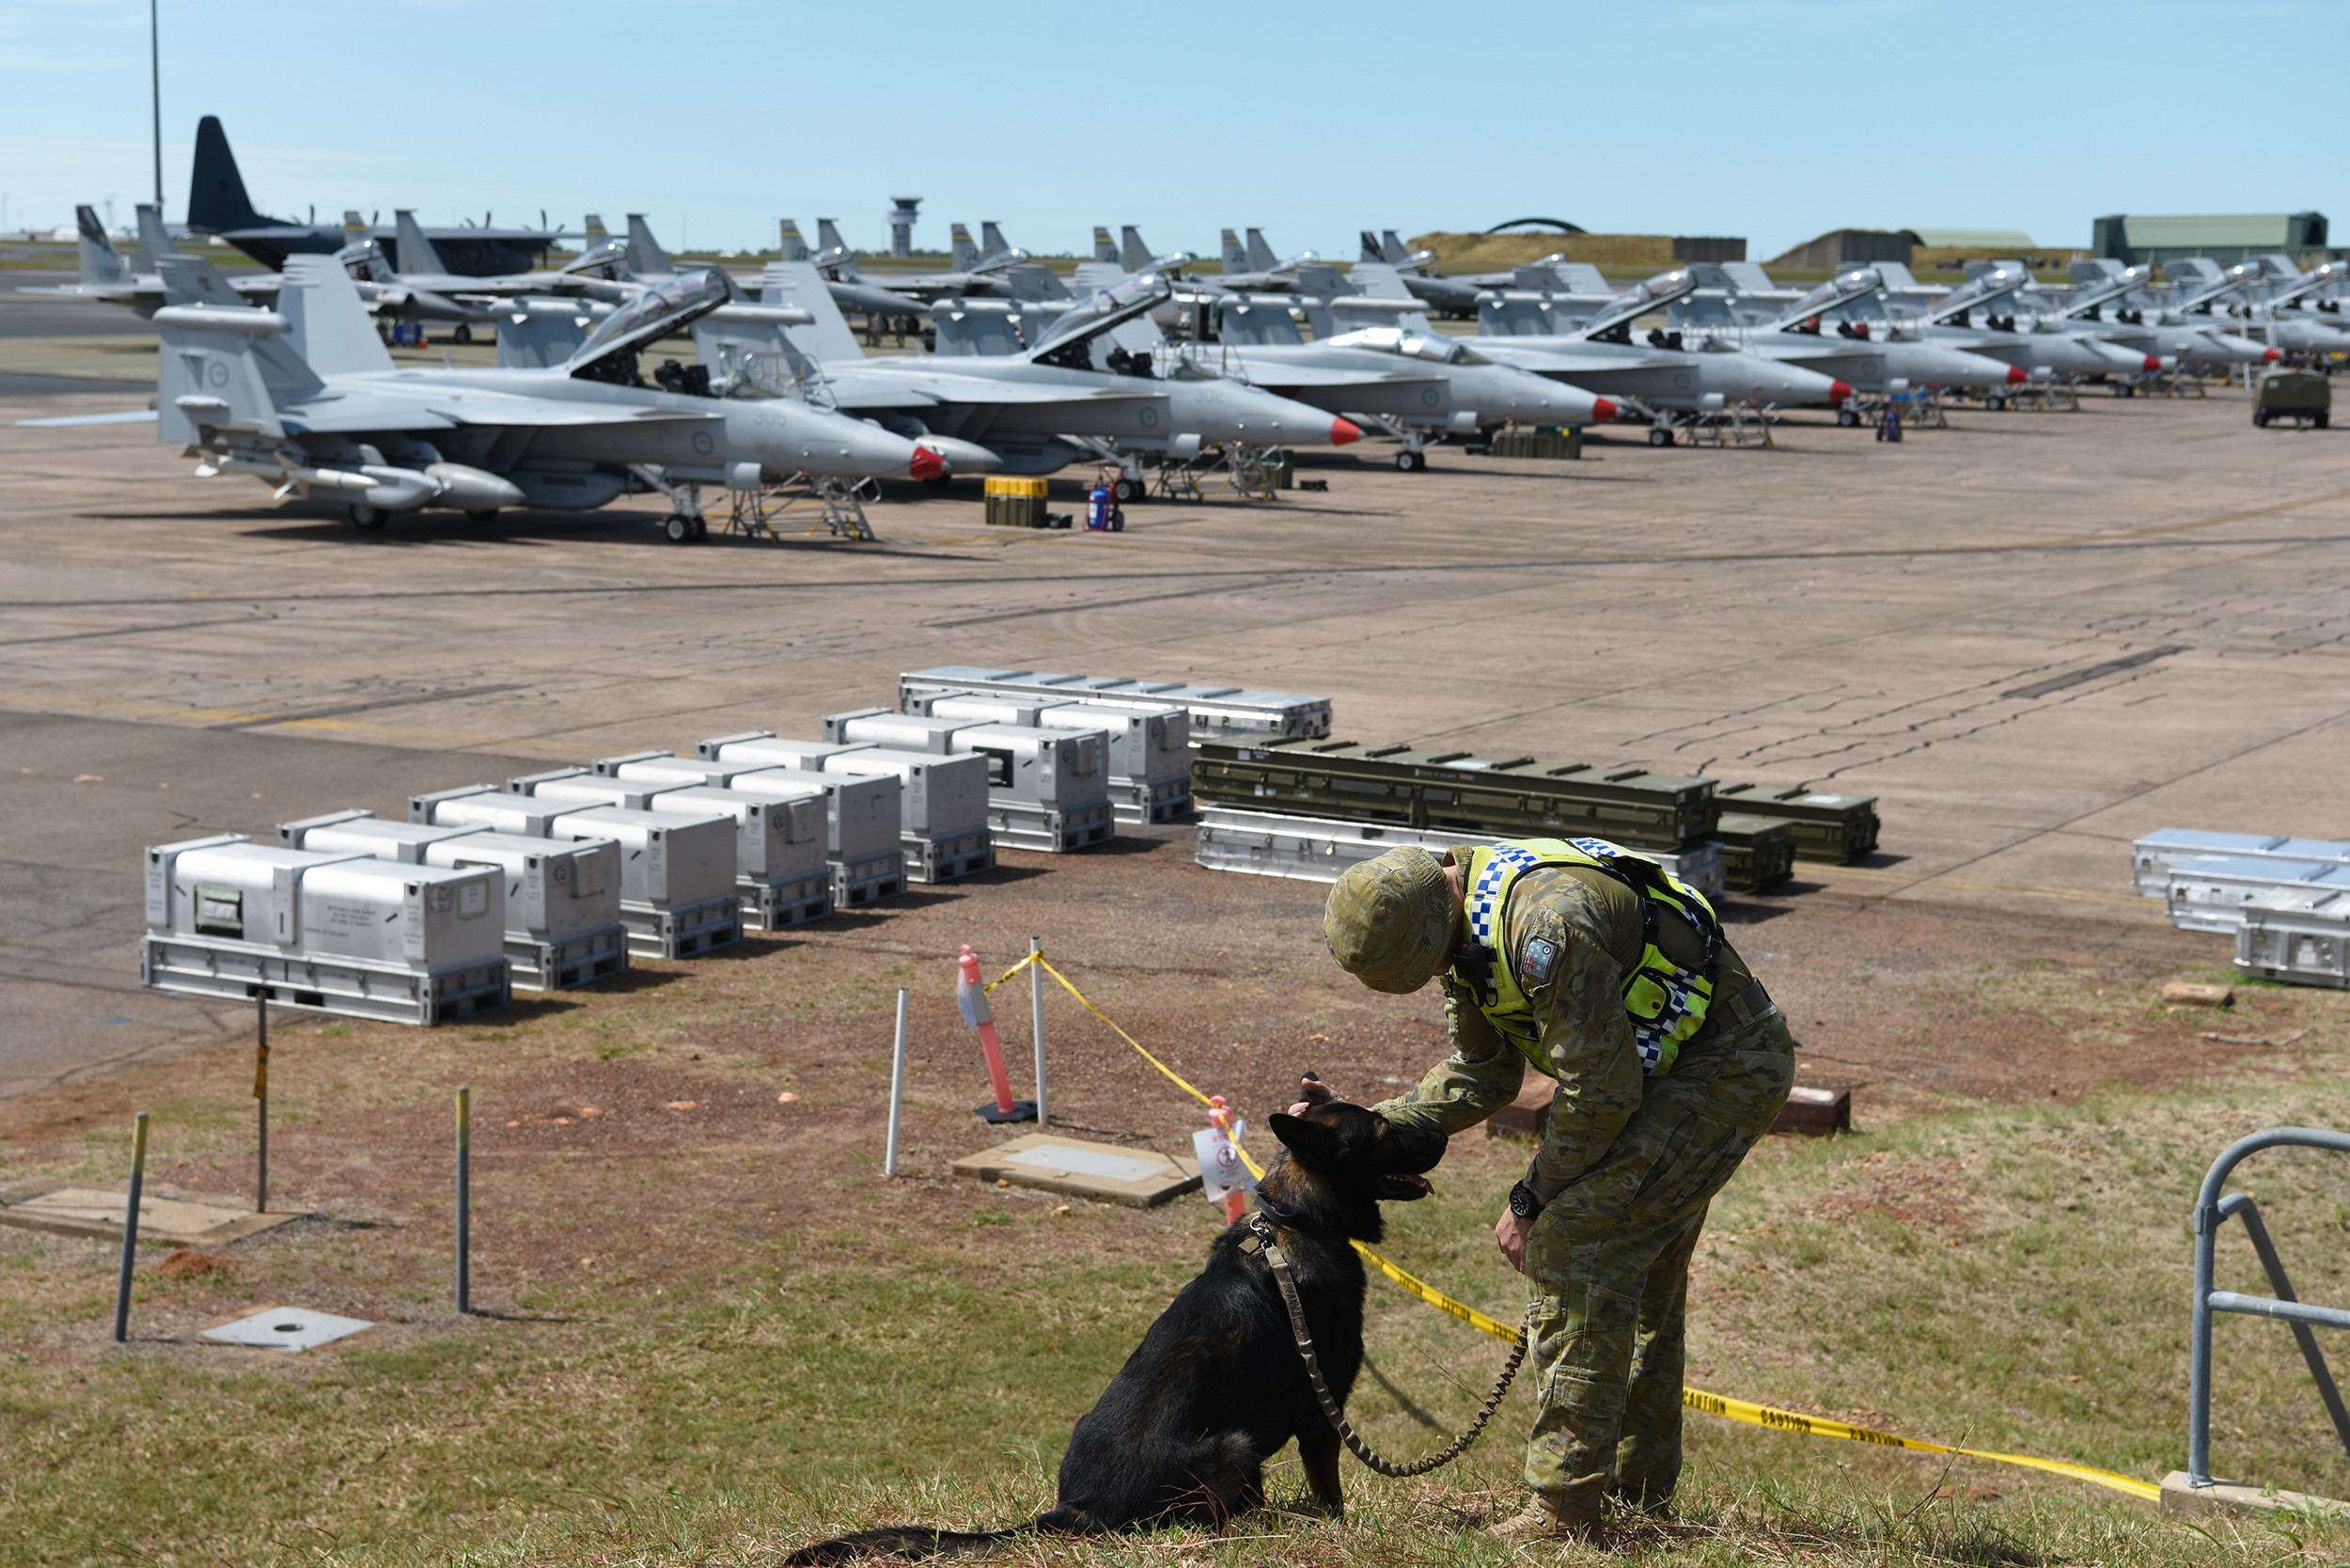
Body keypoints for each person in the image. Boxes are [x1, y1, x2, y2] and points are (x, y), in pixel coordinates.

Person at [1314, 837, 1794, 1541]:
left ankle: (1565, 1510)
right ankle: (1636, 1492)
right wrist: (1360, 1131)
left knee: (1577, 1244)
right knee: (1639, 1270)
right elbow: (1485, 1070)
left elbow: (1601, 1091)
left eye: (1435, 965)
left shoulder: (1546, 928)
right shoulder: (1457, 911)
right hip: (1657, 1077)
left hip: (1724, 1069)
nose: (1443, 975)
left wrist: (1530, 1200)